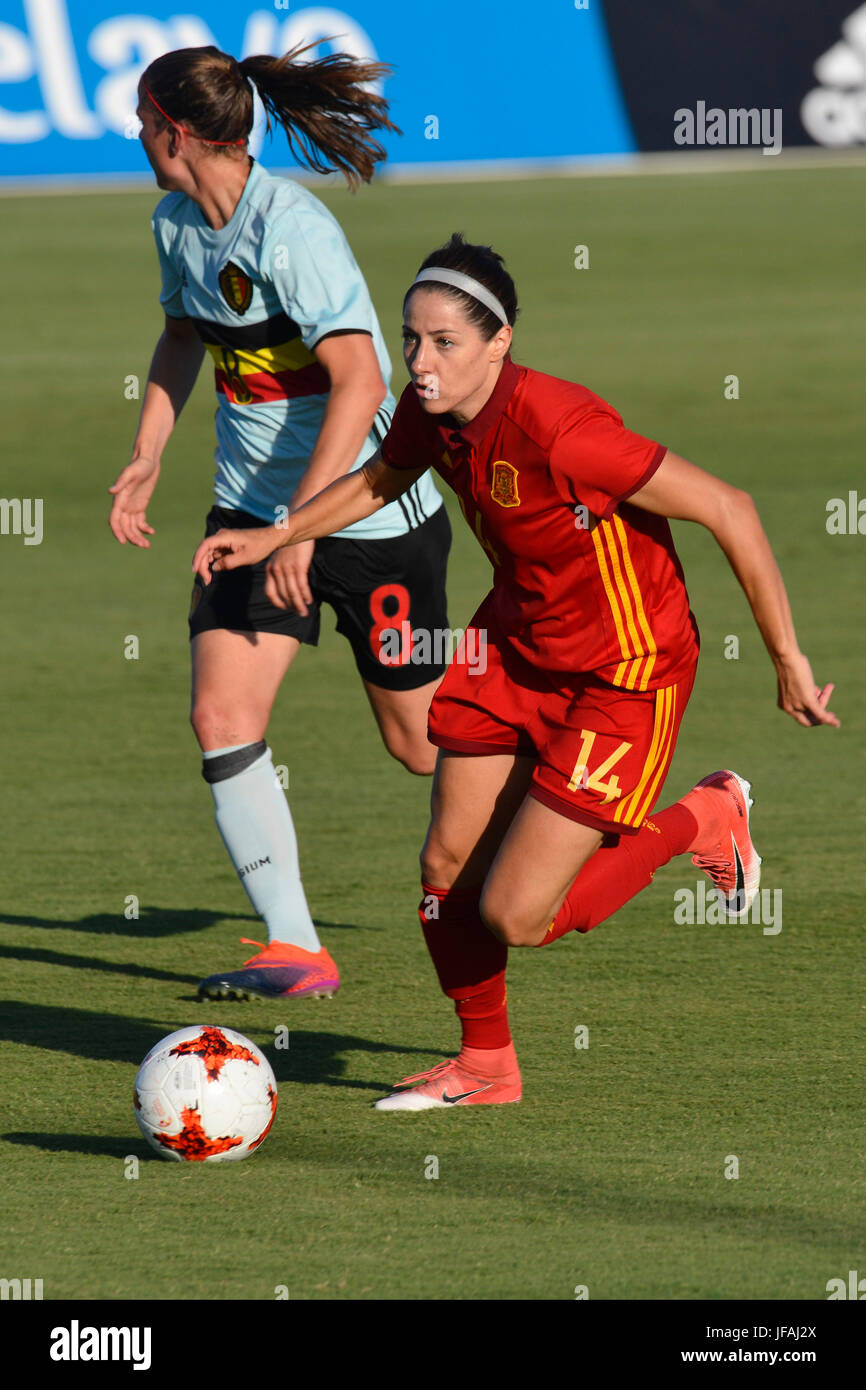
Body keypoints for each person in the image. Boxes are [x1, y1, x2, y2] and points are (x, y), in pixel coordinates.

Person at [192, 232, 839, 1107]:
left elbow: (730, 506)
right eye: (410, 339)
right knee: (445, 863)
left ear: (500, 343)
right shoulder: (434, 408)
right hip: (513, 646)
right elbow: (384, 475)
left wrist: (787, 660)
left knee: (517, 914)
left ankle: (703, 816)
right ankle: (486, 1064)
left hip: (624, 672)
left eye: (444, 343)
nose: (419, 362)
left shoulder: (564, 431)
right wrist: (278, 533)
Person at [108, 45, 450, 1003]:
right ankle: (296, 946)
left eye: (143, 121)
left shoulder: (291, 229)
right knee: (220, 714)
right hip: (250, 514)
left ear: (177, 133)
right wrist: (149, 452)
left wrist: (300, 529)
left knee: (422, 747)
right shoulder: (177, 223)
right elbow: (184, 336)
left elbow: (363, 383)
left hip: (370, 511)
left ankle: (680, 808)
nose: (135, 135)